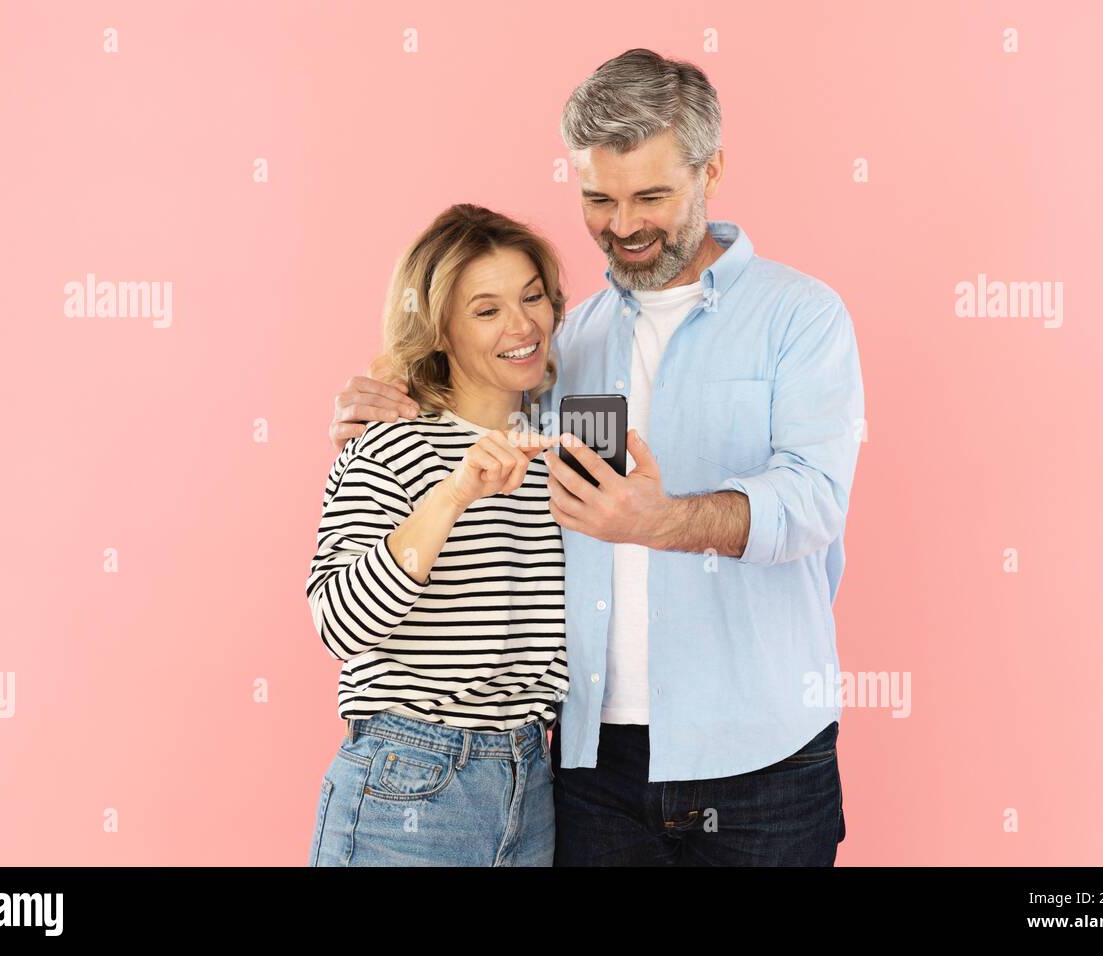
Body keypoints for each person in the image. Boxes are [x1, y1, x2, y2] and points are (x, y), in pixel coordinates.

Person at [327, 49, 865, 866]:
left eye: (651, 195)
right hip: (591, 766)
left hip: (763, 759)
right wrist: (383, 391)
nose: (623, 225)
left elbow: (816, 499)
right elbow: (463, 394)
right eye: (598, 199)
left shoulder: (802, 317)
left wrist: (666, 520)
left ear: (711, 169)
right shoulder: (565, 342)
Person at [306, 204, 570, 866]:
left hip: (533, 783)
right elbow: (339, 624)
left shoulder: (562, 452)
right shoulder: (389, 447)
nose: (522, 324)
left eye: (532, 296)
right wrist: (452, 494)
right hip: (410, 781)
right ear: (440, 331)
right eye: (486, 310)